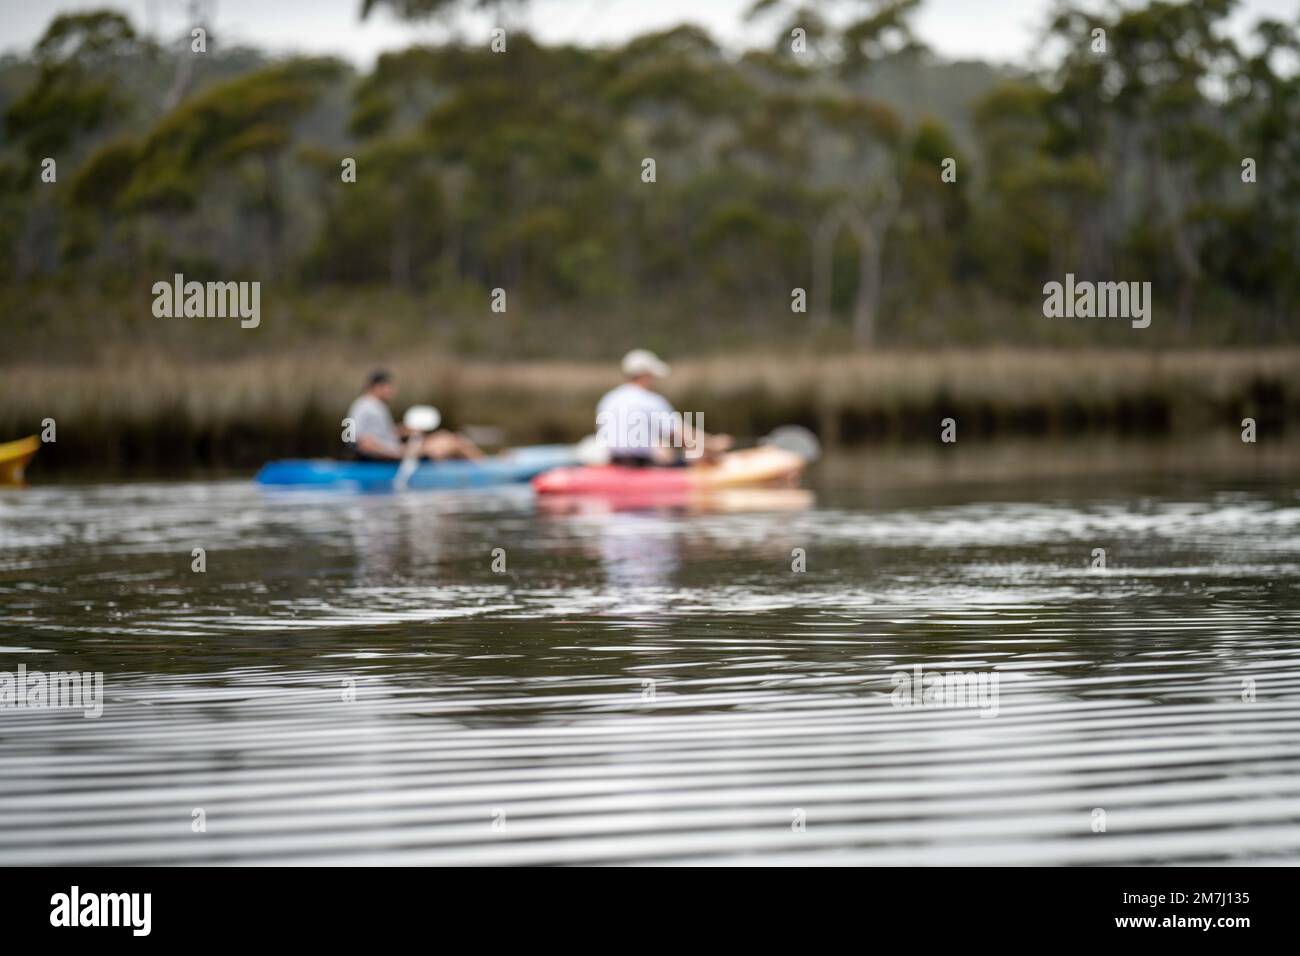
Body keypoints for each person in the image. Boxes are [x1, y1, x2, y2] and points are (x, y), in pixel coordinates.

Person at [595, 349, 731, 467]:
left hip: (613, 463)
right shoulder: (651, 400)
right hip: (643, 466)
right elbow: (681, 434)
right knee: (695, 455)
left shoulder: (608, 399)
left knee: (667, 449)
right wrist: (712, 443)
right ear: (645, 375)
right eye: (652, 376)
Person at [345, 369, 482, 461]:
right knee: (453, 441)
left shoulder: (370, 406)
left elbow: (382, 434)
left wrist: (405, 431)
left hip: (393, 450)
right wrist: (400, 453)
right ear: (376, 387)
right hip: (392, 454)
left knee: (447, 438)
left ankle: (479, 463)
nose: (392, 391)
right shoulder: (367, 407)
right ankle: (485, 467)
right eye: (389, 387)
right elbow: (363, 443)